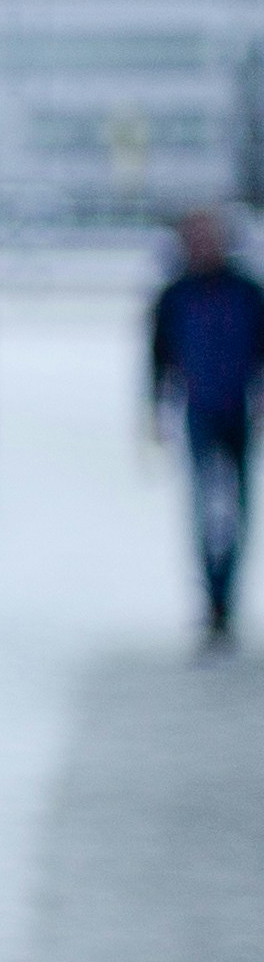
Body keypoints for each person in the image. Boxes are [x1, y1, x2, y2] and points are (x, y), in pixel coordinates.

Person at [152, 209, 262, 646]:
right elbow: (159, 356)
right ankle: (212, 599)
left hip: (239, 409)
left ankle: (229, 594)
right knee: (204, 505)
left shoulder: (248, 292)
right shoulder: (175, 295)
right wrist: (154, 409)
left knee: (237, 506)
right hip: (198, 409)